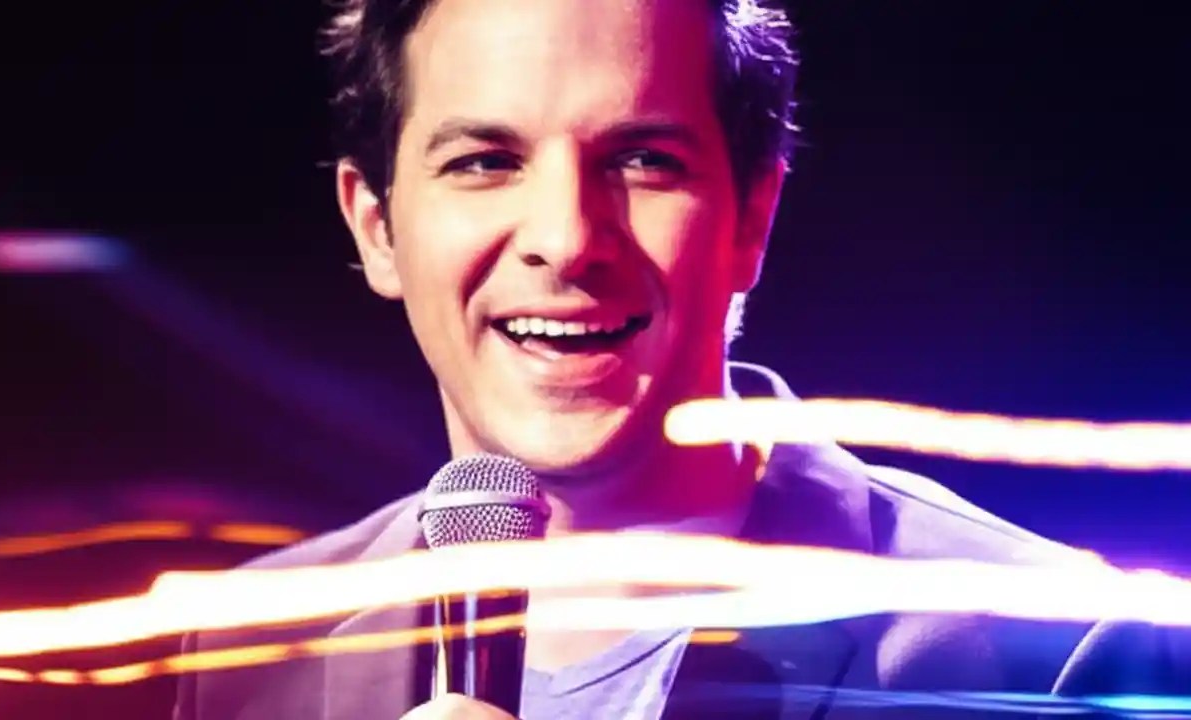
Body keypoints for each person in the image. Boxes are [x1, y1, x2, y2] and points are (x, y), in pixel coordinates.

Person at [173, 0, 1093, 717]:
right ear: (376, 227)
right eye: (485, 162)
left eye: (643, 159)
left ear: (752, 217)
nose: (567, 239)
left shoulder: (1045, 649)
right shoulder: (248, 653)